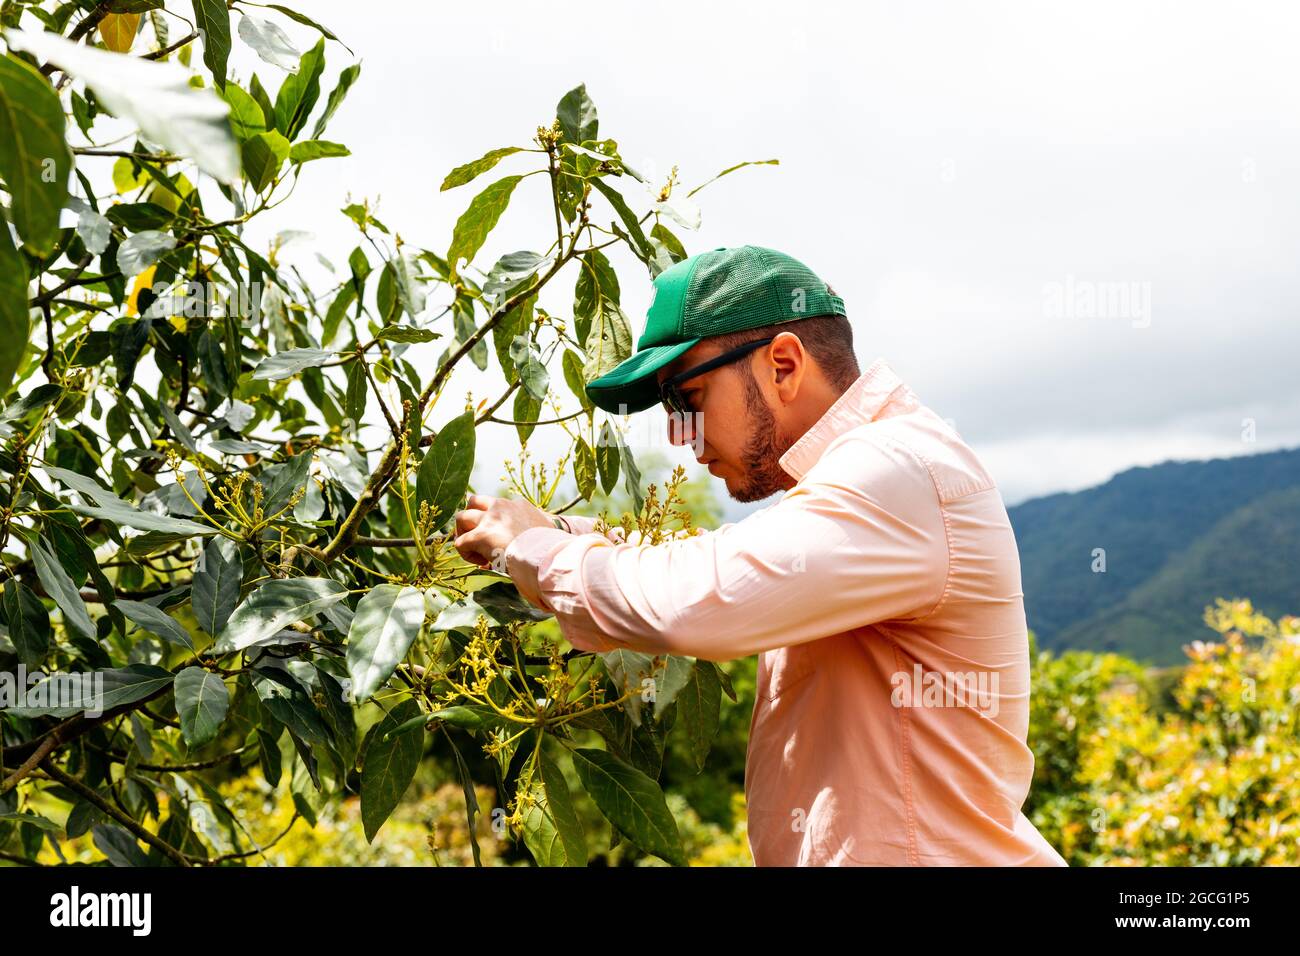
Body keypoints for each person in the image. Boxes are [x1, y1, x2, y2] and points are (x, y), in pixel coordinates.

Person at [453, 245, 1067, 866]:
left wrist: (533, 550)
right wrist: (558, 529)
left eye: (686, 398)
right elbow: (722, 562)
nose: (677, 434)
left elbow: (695, 600)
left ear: (782, 364)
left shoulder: (896, 468)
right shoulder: (860, 484)